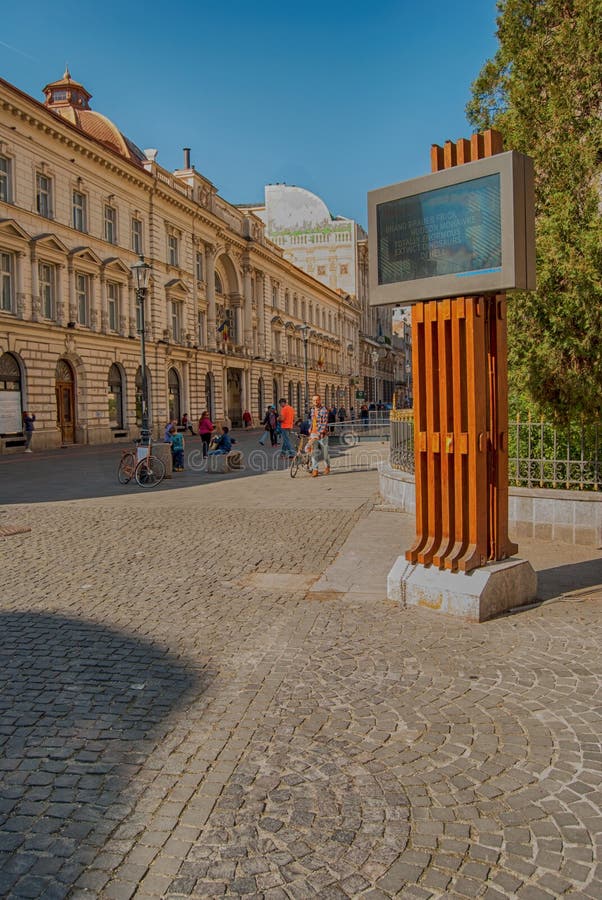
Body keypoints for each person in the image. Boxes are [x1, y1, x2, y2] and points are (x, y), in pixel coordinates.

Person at [308, 393, 330, 477]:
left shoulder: (324, 410)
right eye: (314, 400)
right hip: (313, 434)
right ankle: (315, 469)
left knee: (325, 454)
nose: (315, 401)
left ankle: (327, 467)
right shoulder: (312, 410)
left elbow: (324, 423)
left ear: (320, 400)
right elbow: (311, 420)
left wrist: (320, 433)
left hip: (322, 435)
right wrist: (310, 430)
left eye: (317, 400)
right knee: (314, 452)